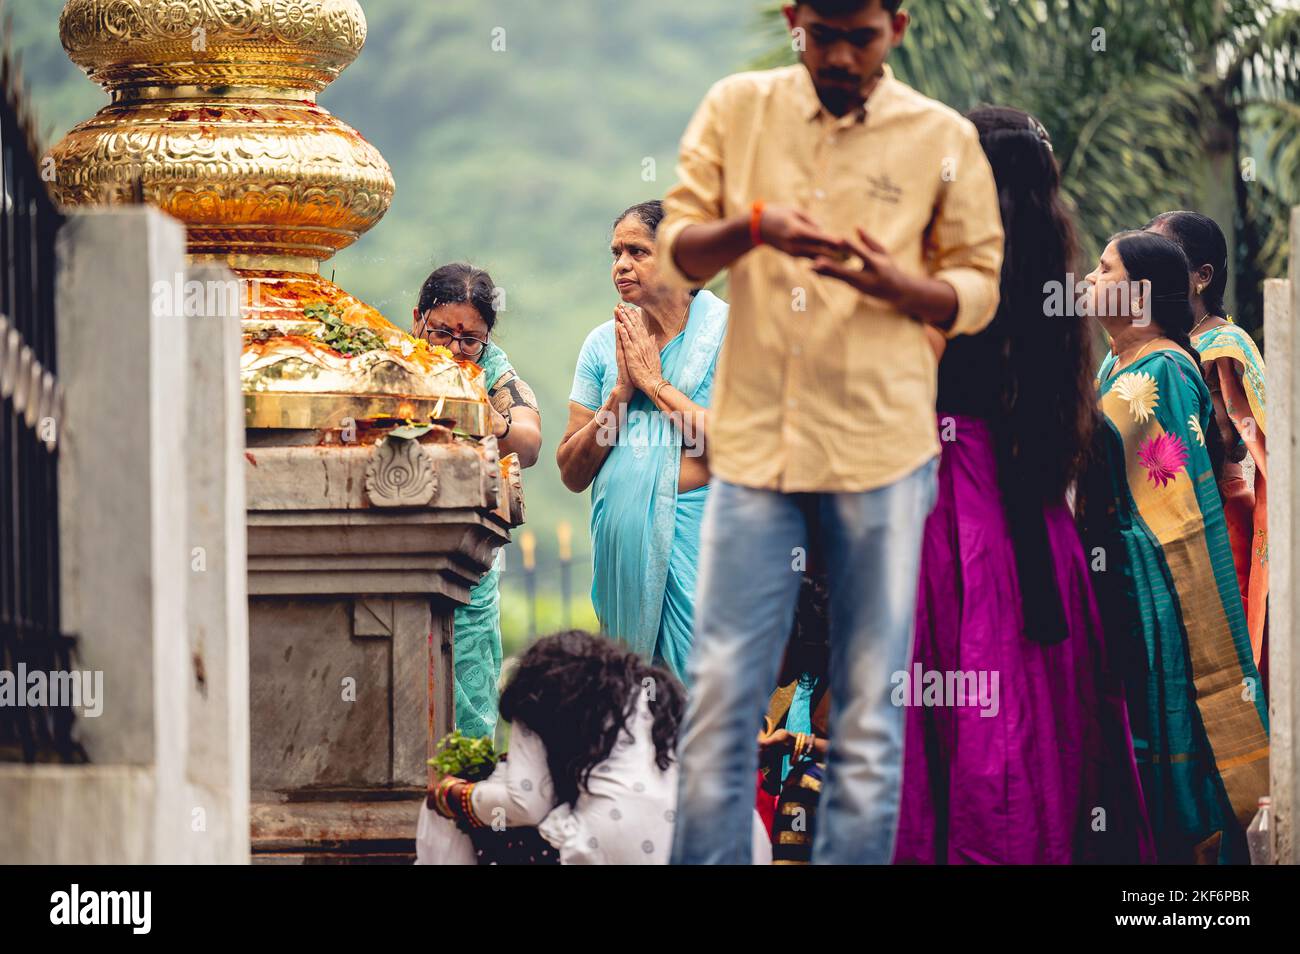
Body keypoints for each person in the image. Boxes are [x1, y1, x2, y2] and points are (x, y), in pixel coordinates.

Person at [659, 0, 1004, 865]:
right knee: (721, 700)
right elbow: (680, 251)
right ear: (794, 21)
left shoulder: (941, 137)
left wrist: (901, 285)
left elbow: (980, 284)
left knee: (868, 712)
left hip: (881, 452)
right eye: (824, 35)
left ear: (900, 25)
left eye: (862, 36)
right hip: (758, 456)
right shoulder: (739, 108)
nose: (842, 56)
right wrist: (757, 226)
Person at [893, 107, 1152, 864]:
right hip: (1033, 527)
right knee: (1033, 721)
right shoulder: (1050, 275)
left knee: (963, 722)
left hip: (953, 513)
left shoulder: (950, 278)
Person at [1076, 230, 1269, 864]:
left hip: (1154, 587)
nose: (1090, 278)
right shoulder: (1114, 366)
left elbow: (1178, 505)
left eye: (1105, 269)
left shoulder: (1166, 368)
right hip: (1111, 578)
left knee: (1169, 755)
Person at [415, 630, 772, 865]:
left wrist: (453, 795)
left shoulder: (540, 695)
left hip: (623, 845)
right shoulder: (655, 693)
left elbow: (526, 803)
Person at [557, 201, 729, 681]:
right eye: (615, 253)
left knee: (696, 698)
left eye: (638, 251)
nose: (621, 266)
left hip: (701, 550)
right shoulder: (601, 344)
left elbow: (740, 448)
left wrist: (656, 385)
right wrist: (622, 394)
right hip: (621, 559)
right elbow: (572, 472)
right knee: (631, 706)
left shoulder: (728, 335)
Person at [413, 264, 542, 740]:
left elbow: (528, 443)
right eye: (442, 332)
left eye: (470, 339)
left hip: (469, 555)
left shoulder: (492, 372)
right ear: (417, 319)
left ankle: (468, 798)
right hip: (403, 537)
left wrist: (490, 420)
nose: (454, 348)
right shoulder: (393, 359)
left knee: (468, 691)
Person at [1146, 211, 1268, 677]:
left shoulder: (1225, 346)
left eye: (1164, 256)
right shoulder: (1153, 342)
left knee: (1218, 668)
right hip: (1162, 522)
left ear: (1201, 277)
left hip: (1216, 516)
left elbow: (1243, 442)